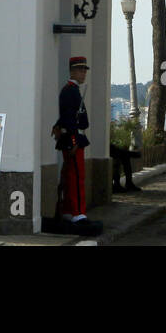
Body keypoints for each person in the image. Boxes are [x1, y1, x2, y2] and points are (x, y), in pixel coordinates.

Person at [52, 56, 91, 223]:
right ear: (73, 71)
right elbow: (68, 118)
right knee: (76, 177)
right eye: (81, 70)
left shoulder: (72, 90)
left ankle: (68, 209)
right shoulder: (70, 91)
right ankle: (77, 213)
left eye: (84, 70)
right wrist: (74, 141)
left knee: (70, 176)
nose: (84, 73)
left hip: (73, 136)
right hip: (73, 139)